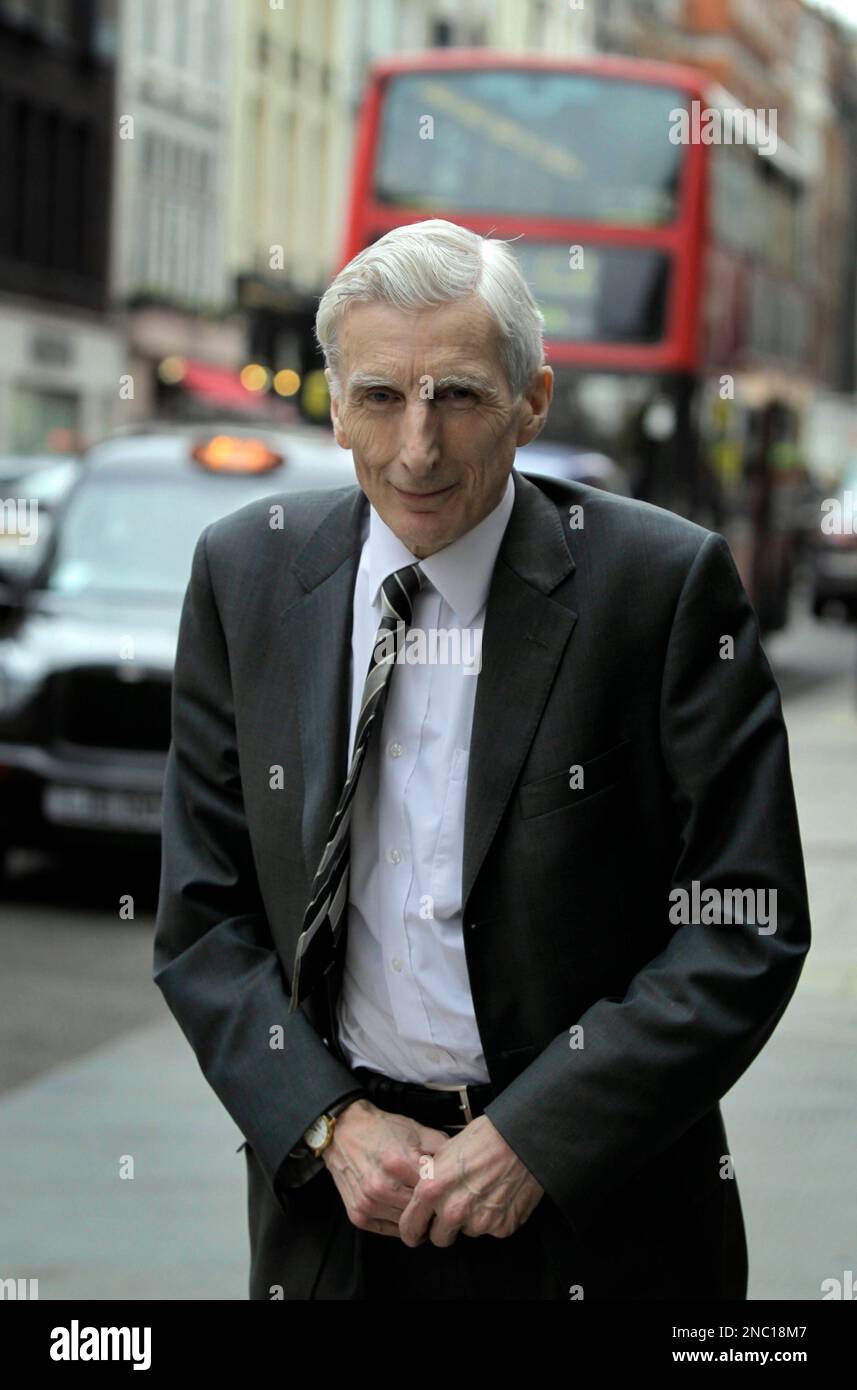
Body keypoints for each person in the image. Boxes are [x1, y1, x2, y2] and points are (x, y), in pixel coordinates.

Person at [153, 218, 811, 1301]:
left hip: (599, 1224)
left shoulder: (660, 588)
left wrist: (534, 1139)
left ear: (531, 403)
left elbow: (742, 921)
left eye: (454, 396)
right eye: (379, 397)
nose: (416, 448)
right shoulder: (245, 576)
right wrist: (326, 1120)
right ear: (332, 405)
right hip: (339, 1220)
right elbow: (200, 912)